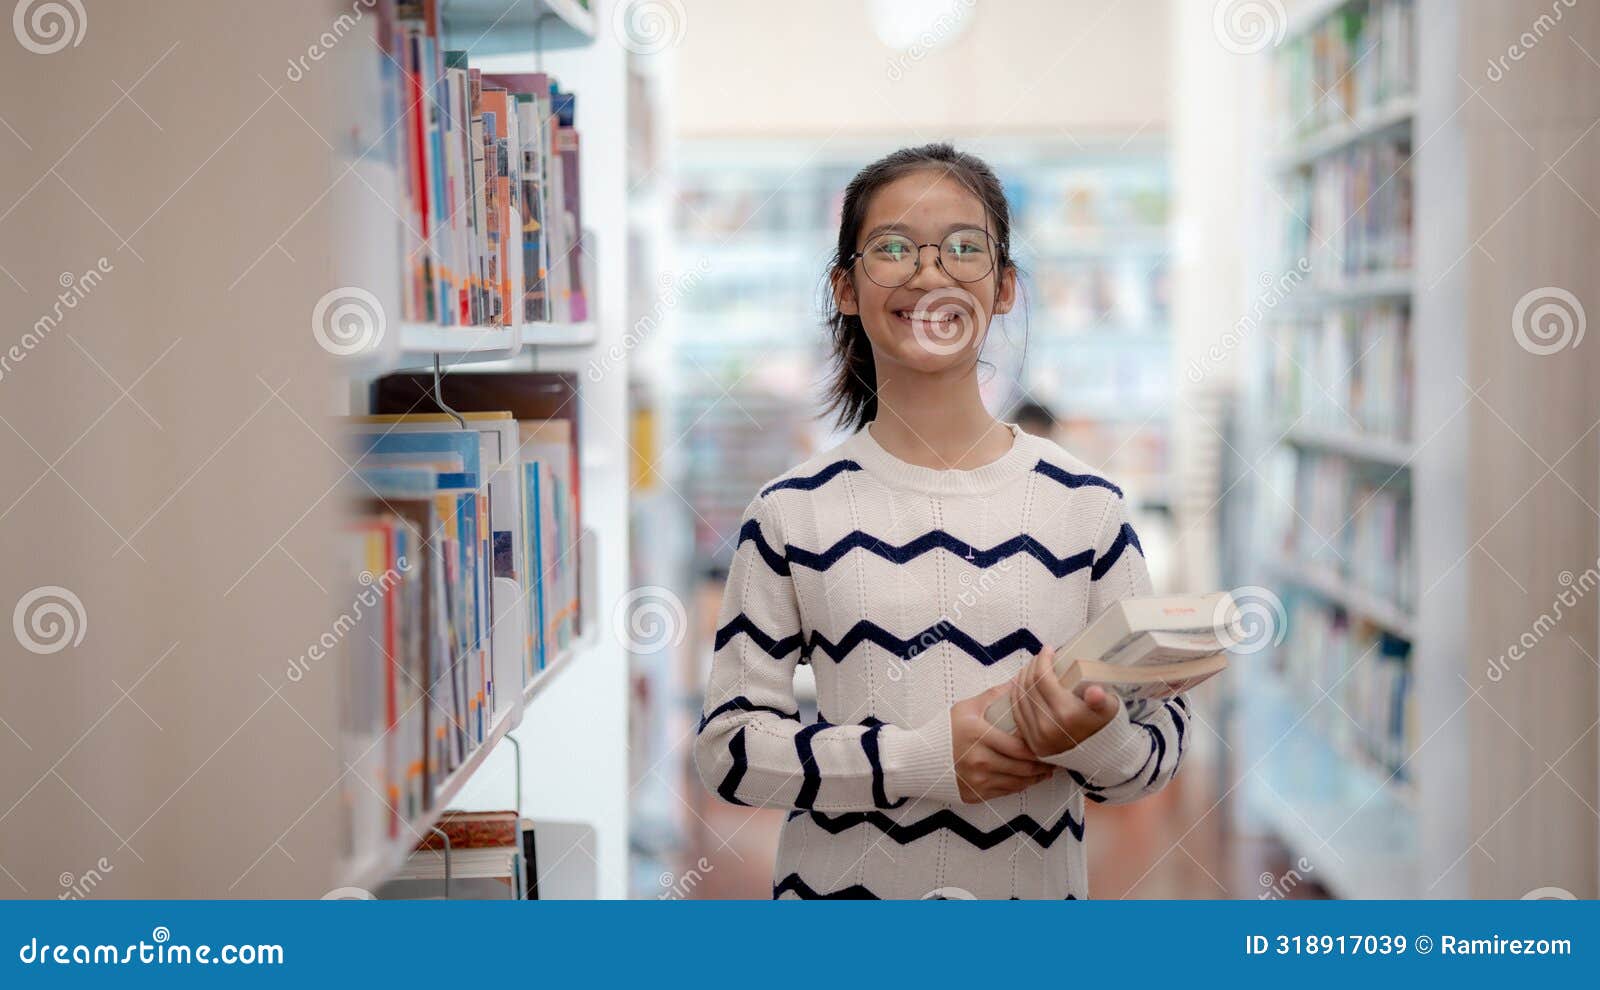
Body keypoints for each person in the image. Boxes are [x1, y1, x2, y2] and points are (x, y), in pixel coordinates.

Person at [692, 143, 1190, 899]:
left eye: (964, 248)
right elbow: (729, 753)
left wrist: (1091, 738)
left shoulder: (1088, 507)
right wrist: (922, 759)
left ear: (1005, 288)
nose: (929, 271)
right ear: (846, 287)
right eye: (892, 247)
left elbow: (1154, 754)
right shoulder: (791, 511)